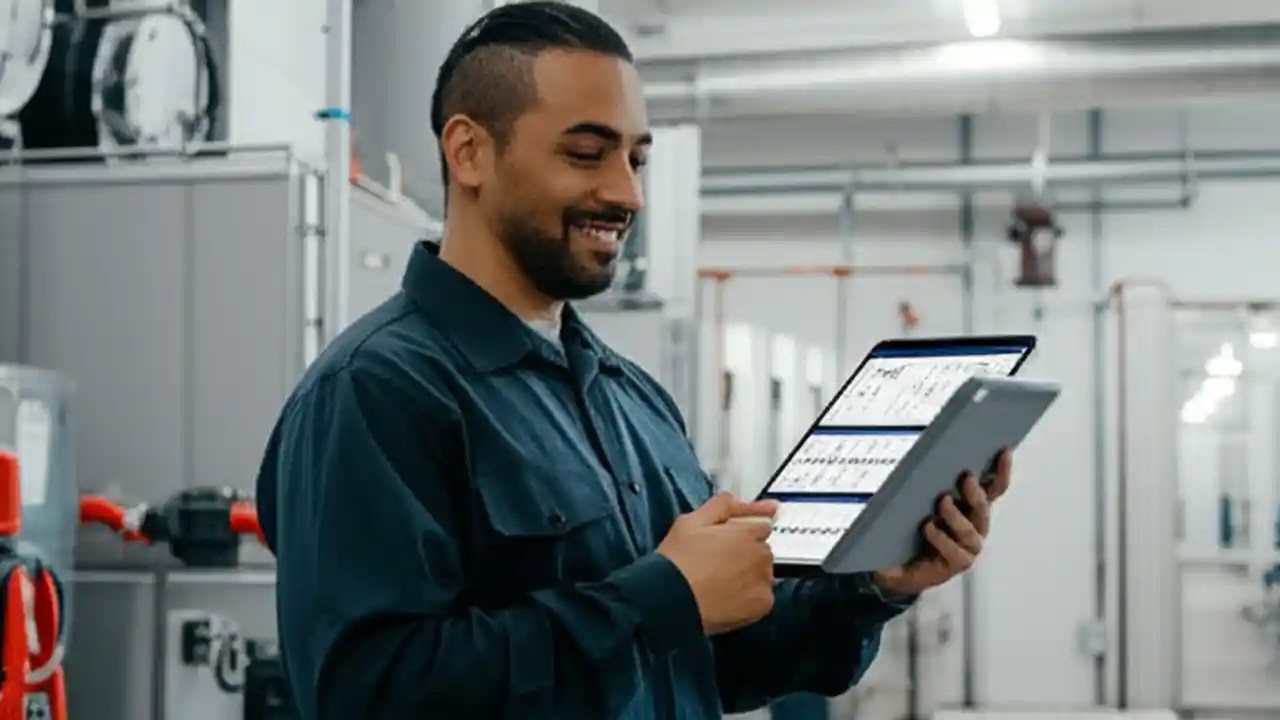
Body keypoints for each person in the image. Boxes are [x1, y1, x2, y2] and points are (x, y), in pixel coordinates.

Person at [253, 3, 1015, 719]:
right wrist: (659, 599)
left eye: (636, 159)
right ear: (469, 151)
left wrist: (871, 586)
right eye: (587, 153)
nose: (625, 193)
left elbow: (719, 660)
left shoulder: (632, 399)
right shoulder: (376, 392)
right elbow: (365, 693)